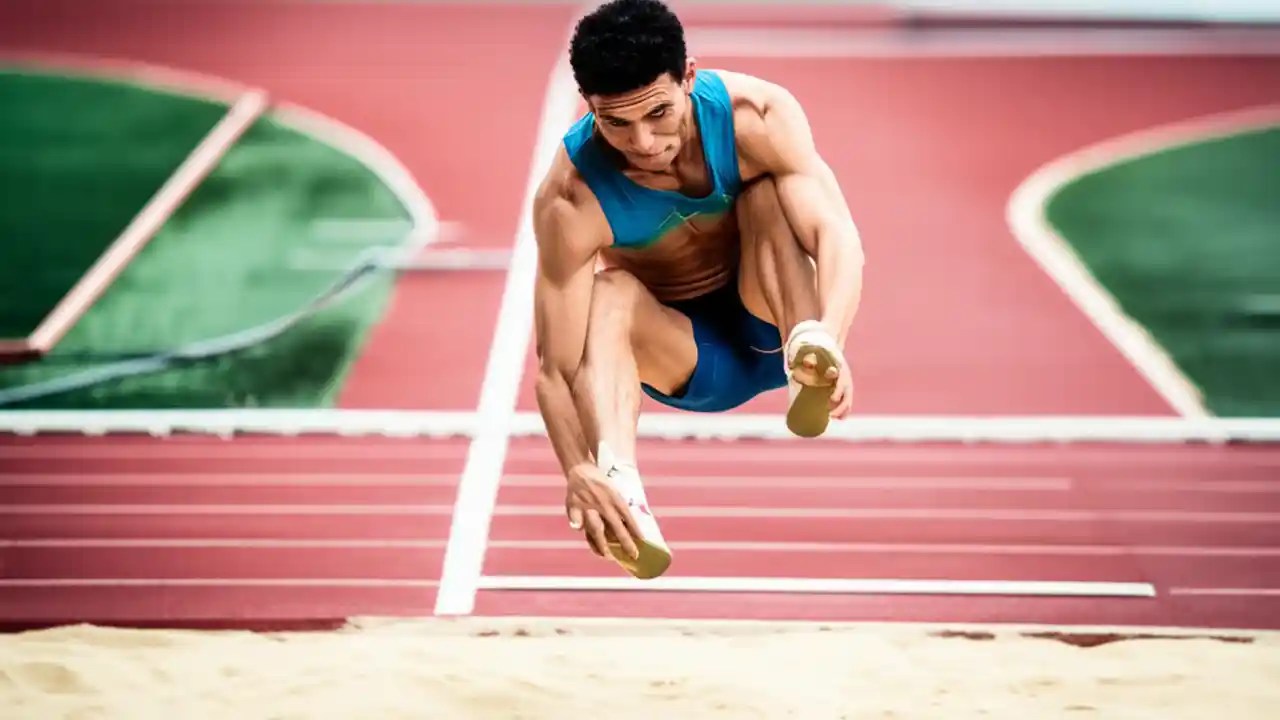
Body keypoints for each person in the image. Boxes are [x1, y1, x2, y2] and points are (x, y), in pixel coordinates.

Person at [532, 0, 865, 579]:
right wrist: (576, 468)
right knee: (609, 292)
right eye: (616, 122)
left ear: (689, 75)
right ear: (589, 106)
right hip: (687, 358)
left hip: (774, 318)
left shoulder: (753, 116)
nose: (642, 141)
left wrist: (833, 331)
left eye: (658, 112)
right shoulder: (571, 197)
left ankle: (810, 348)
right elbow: (555, 367)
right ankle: (620, 483)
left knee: (764, 196)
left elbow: (834, 232)